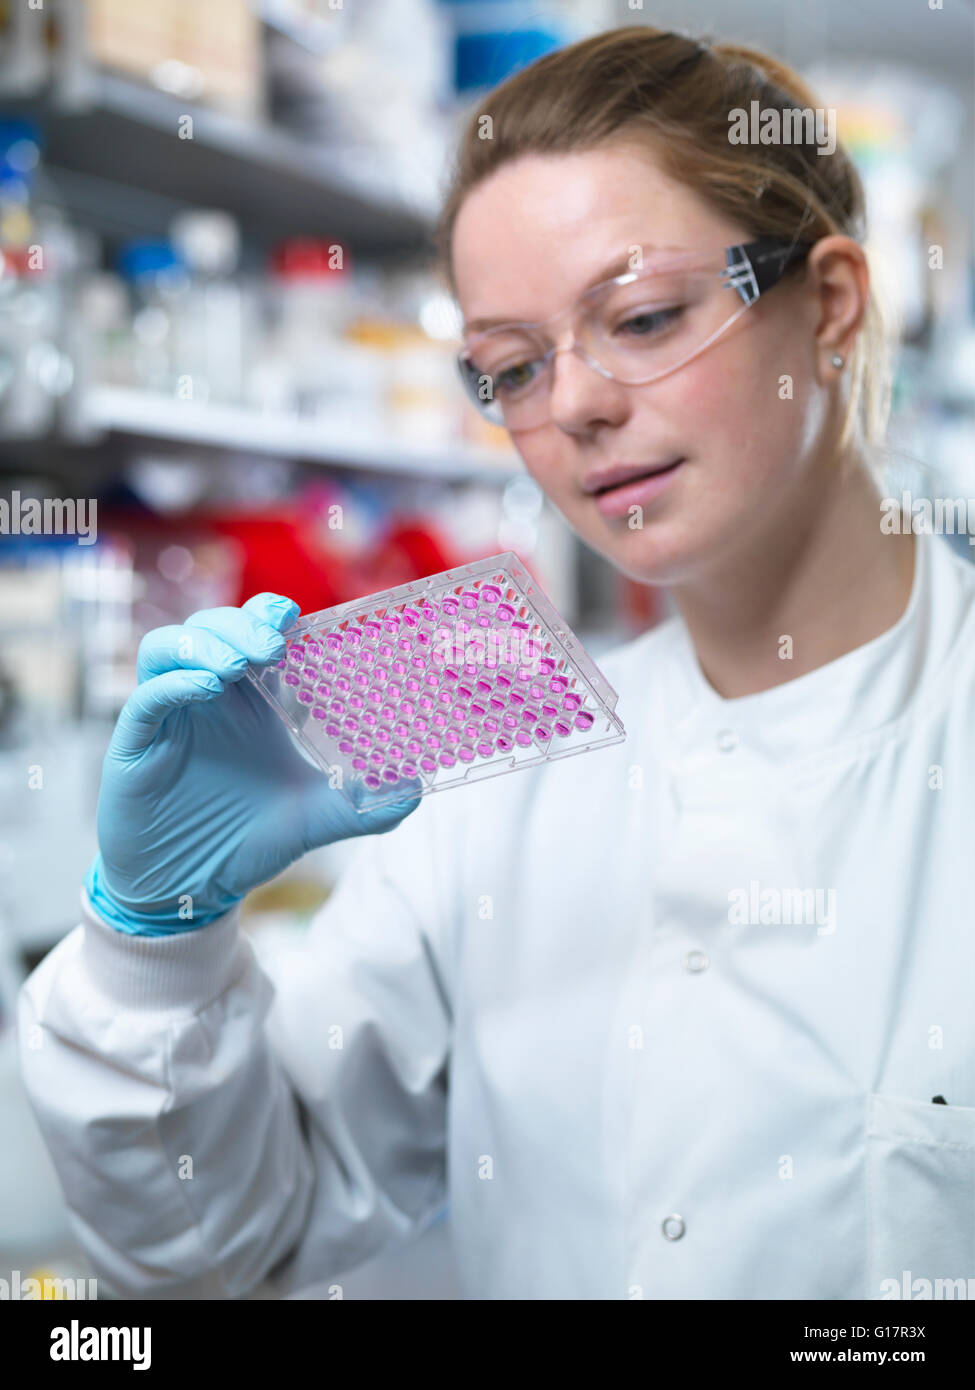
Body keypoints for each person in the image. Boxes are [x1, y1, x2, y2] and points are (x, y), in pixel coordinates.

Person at [18, 26, 975, 1300]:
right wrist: (159, 941)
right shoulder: (505, 770)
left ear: (832, 305)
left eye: (640, 317)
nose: (575, 404)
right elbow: (226, 1252)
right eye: (512, 368)